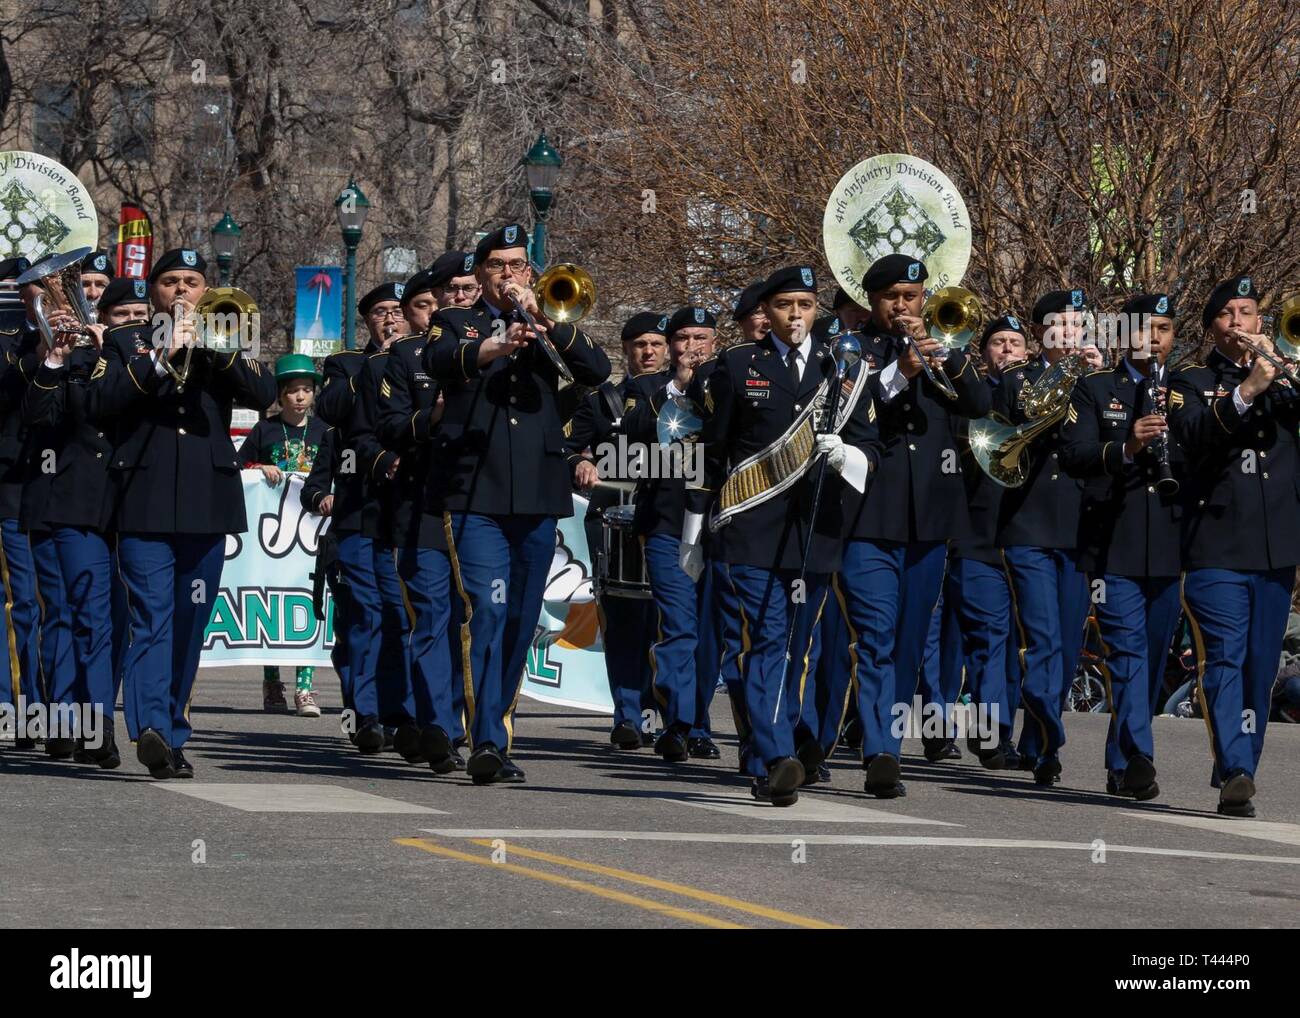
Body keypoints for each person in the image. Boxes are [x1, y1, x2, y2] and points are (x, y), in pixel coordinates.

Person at [422, 224, 611, 784]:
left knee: (522, 619)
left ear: (532, 273)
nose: (509, 274)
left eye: (518, 265)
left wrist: (547, 321)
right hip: (475, 492)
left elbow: (596, 371)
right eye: (498, 265)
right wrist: (495, 346)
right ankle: (482, 738)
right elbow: (439, 361)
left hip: (536, 493)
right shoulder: (456, 320)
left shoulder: (551, 321)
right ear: (480, 274)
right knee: (489, 610)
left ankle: (495, 733)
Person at [686, 264, 881, 805]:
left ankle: (765, 754)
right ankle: (775, 755)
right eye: (784, 306)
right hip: (751, 527)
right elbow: (712, 448)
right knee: (767, 638)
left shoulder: (841, 366)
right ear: (765, 313)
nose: (795, 316)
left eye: (805, 305)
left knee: (800, 647)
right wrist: (694, 526)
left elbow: (873, 444)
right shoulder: (738, 365)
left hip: (817, 528)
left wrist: (848, 454)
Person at [86, 247, 276, 779]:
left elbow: (264, 393)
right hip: (142, 498)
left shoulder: (229, 341)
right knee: (151, 617)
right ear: (153, 291)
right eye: (170, 281)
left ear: (204, 289)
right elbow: (102, 401)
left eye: (191, 282)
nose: (181, 291)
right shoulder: (127, 342)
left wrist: (218, 349)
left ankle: (171, 730)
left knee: (189, 623)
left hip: (207, 501)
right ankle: (151, 729)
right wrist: (160, 354)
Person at [836, 254, 991, 799]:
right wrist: (901, 372)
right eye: (891, 298)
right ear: (872, 302)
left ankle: (885, 736)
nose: (902, 307)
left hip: (929, 520)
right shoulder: (855, 349)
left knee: (907, 641)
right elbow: (853, 410)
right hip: (867, 516)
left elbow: (979, 404)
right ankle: (880, 749)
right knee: (874, 636)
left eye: (911, 296)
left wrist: (948, 359)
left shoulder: (946, 346)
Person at [1168, 275, 1300, 818]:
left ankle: (1239, 767)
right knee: (1224, 656)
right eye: (1228, 314)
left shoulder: (1289, 383)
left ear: (1261, 324)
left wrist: (1284, 375)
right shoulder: (1191, 381)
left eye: (1248, 313)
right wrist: (1248, 389)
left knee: (1260, 666)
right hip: (1214, 547)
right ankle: (1237, 769)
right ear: (1212, 327)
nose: (1239, 323)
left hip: (1275, 552)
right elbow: (1194, 436)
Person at [1060, 293, 1183, 801]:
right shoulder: (1095, 389)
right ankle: (1139, 756)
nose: (1153, 339)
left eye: (1164, 329)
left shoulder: (1186, 391)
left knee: (1151, 660)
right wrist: (1126, 446)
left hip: (1171, 547)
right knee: (1127, 654)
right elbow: (1075, 455)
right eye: (1143, 328)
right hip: (1113, 545)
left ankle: (1119, 762)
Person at [993, 289, 1102, 787]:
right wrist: (1067, 375)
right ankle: (1051, 735)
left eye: (1080, 324)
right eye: (1062, 324)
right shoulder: (1019, 377)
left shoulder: (1101, 383)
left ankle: (1039, 743)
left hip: (1079, 529)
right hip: (1030, 526)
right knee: (1041, 639)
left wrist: (1097, 380)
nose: (1072, 332)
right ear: (1041, 333)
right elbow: (1018, 417)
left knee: (1065, 643)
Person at [923, 314, 1030, 769]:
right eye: (998, 343)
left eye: (1015, 343)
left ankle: (993, 735)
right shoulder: (964, 396)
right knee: (944, 640)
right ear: (983, 352)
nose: (1007, 349)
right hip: (960, 531)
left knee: (997, 640)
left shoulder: (1038, 395)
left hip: (1009, 535)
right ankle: (937, 729)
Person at [371, 266, 465, 772]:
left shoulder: (499, 353)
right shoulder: (405, 359)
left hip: (479, 503)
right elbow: (386, 426)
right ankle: (438, 727)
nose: (437, 313)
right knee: (432, 614)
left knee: (474, 618)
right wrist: (429, 419)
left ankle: (474, 724)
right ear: (411, 314)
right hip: (423, 505)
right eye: (426, 306)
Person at [619, 306, 723, 761]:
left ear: (715, 343)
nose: (691, 348)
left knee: (711, 632)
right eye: (682, 339)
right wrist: (679, 386)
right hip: (667, 520)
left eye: (701, 338)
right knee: (678, 628)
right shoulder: (647, 389)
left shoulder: (732, 379)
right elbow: (633, 437)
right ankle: (678, 723)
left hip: (720, 522)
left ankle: (701, 724)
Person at [314, 281, 414, 754]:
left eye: (398, 310)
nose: (391, 319)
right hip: (360, 509)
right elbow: (331, 409)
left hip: (408, 511)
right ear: (367, 322)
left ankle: (401, 712)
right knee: (363, 614)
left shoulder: (421, 359)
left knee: (401, 613)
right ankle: (364, 713)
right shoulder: (347, 364)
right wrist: (375, 365)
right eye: (380, 313)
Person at [565, 310, 667, 748]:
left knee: (668, 622)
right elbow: (562, 446)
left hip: (670, 518)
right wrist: (581, 461)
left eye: (656, 345)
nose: (648, 352)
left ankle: (677, 718)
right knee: (623, 620)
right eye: (640, 345)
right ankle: (628, 714)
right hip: (612, 522)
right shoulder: (602, 400)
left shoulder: (688, 397)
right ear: (626, 350)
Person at [238, 353, 328, 718]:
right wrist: (262, 466)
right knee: (272, 600)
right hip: (271, 535)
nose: (300, 397)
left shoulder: (325, 431)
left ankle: (305, 688)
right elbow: (239, 466)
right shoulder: (265, 430)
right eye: (293, 391)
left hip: (312, 533)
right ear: (281, 395)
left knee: (309, 604)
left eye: (307, 389)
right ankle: (272, 681)